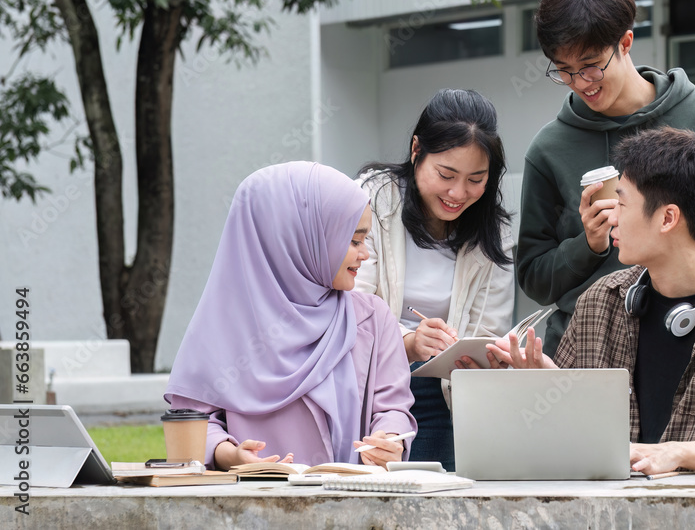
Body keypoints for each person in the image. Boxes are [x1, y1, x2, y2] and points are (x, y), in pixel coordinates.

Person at [488, 127, 695, 475]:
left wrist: (677, 453)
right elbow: (570, 434)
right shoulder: (599, 303)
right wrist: (547, 381)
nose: (610, 216)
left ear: (668, 218)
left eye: (621, 203)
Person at [517, 0, 695, 356]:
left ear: (625, 43)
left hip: (686, 334)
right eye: (563, 69)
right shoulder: (549, 148)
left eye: (592, 64)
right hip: (586, 352)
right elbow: (534, 278)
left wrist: (682, 279)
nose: (580, 82)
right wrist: (589, 246)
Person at [165, 162, 416, 470]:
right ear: (297, 238)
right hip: (252, 505)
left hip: (356, 503)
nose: (364, 253)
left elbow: (393, 407)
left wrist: (389, 440)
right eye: (353, 241)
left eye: (364, 239)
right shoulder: (218, 330)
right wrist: (228, 454)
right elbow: (190, 423)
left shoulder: (373, 319)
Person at [355, 89, 515, 471]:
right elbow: (350, 309)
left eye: (476, 179)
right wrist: (408, 342)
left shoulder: (494, 232)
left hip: (449, 393)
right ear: (416, 150)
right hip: (371, 386)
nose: (458, 193)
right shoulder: (372, 200)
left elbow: (489, 326)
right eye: (446, 174)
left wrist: (478, 358)